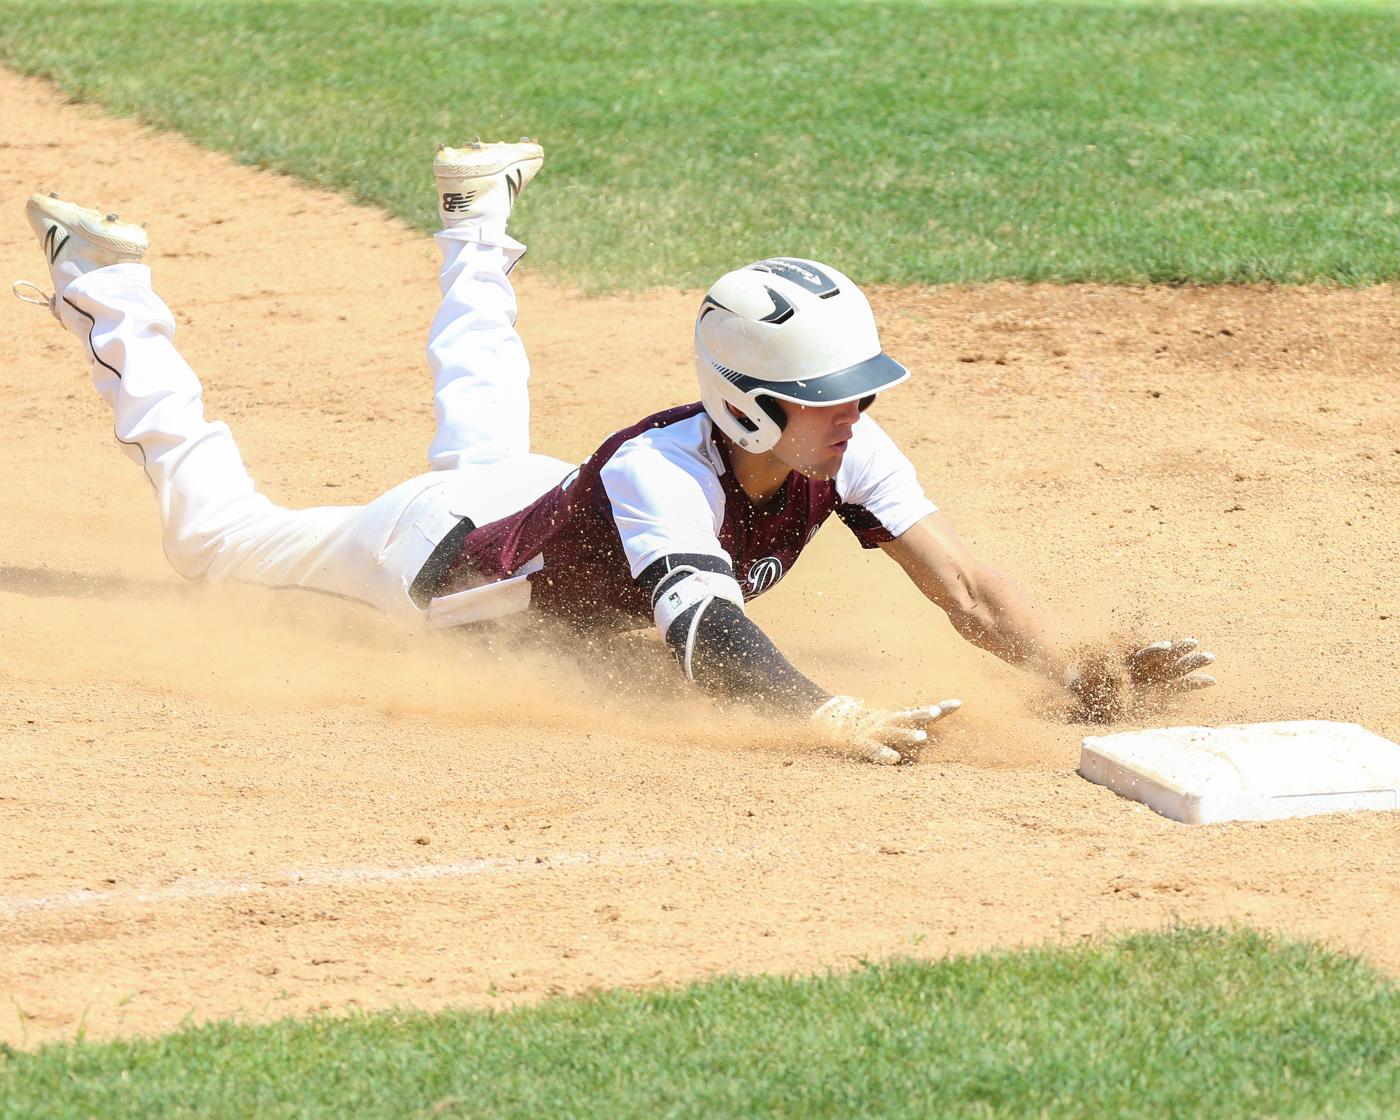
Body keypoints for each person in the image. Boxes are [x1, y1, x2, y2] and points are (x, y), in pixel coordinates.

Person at [13, 140, 1216, 764]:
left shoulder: (834, 447)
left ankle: (475, 212)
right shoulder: (660, 476)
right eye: (824, 398)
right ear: (747, 404)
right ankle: (104, 285)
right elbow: (704, 639)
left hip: (536, 505)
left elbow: (960, 588)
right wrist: (821, 715)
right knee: (211, 541)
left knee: (488, 422)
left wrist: (1069, 667)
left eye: (855, 393)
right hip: (435, 564)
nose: (851, 415)